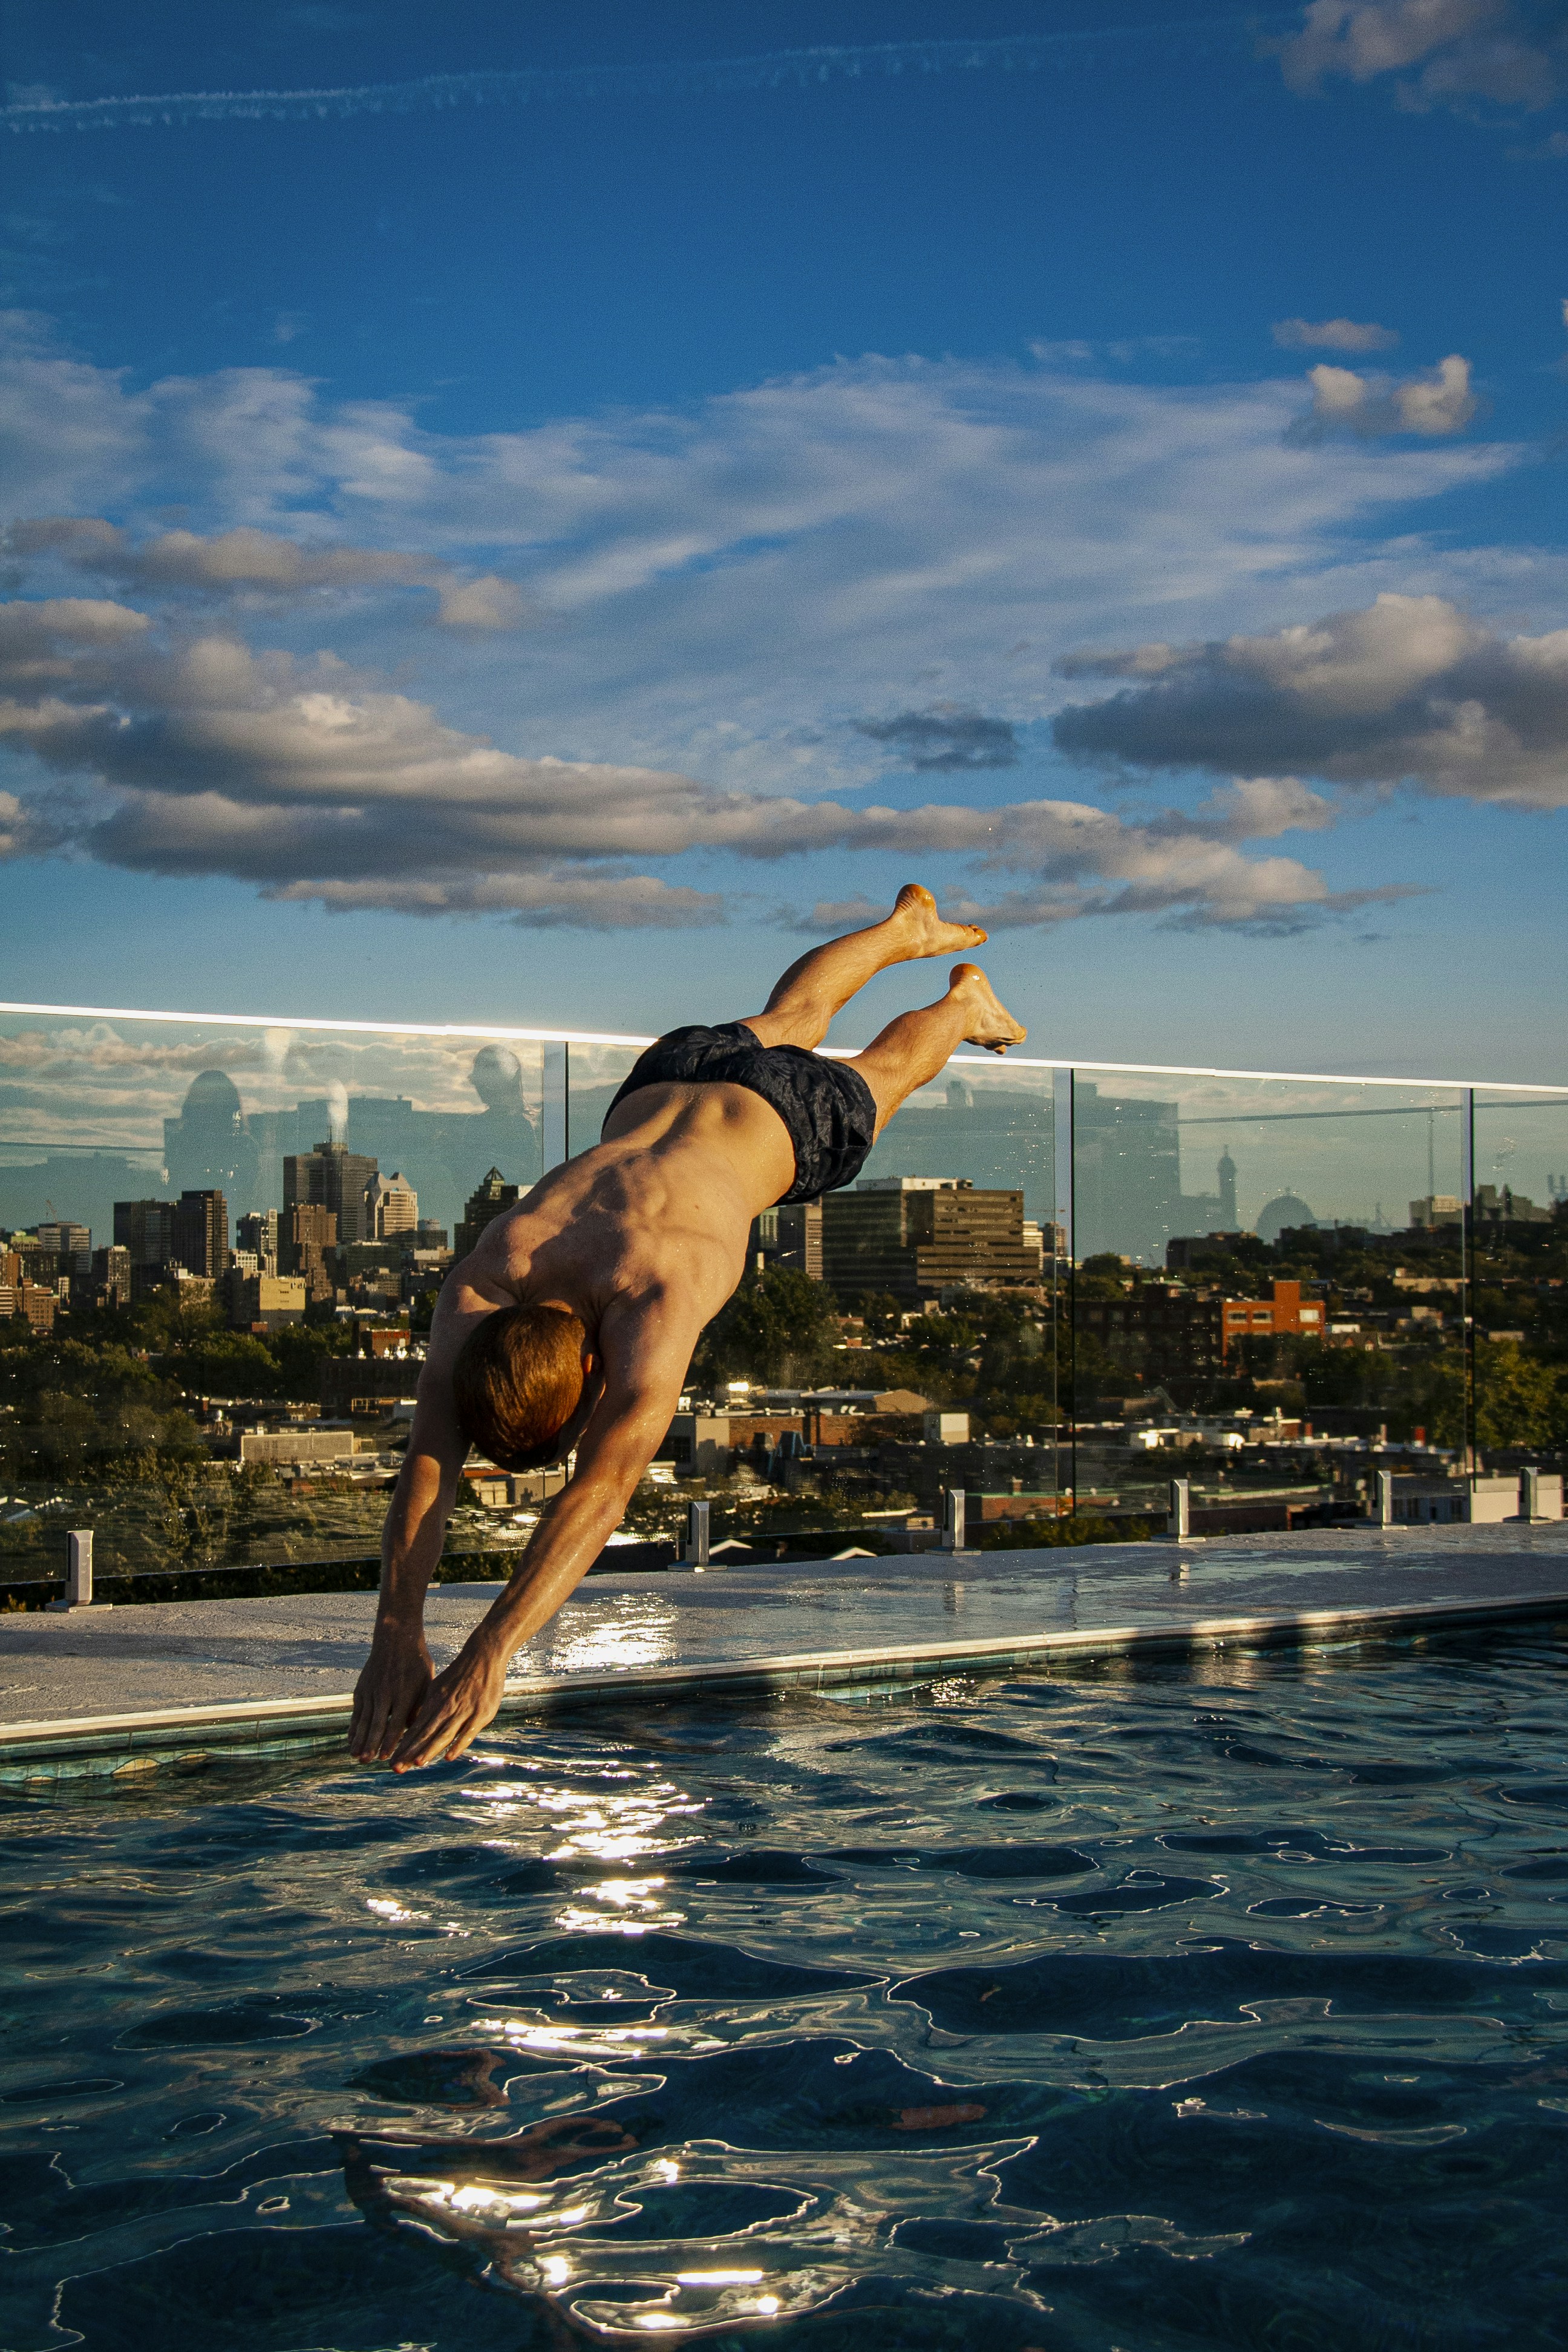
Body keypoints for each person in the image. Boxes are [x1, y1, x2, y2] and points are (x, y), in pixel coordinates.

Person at [349, 884, 1026, 1770]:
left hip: (776, 1123)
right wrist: (394, 1630)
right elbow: (429, 1469)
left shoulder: (649, 1299)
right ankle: (904, 930)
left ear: (592, 1370)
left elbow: (599, 1496)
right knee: (797, 1013)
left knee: (888, 1071)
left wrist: (489, 1659)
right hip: (668, 1076)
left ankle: (960, 1002)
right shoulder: (494, 1271)